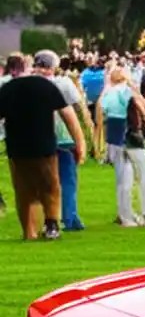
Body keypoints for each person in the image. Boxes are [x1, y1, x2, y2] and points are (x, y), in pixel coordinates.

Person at [0, 56, 86, 240]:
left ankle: (28, 231)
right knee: (51, 186)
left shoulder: (6, 89)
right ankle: (52, 225)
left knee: (23, 190)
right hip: (45, 145)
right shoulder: (46, 86)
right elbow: (68, 115)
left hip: (18, 148)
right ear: (29, 68)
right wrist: (80, 143)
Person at [32, 50, 92, 231]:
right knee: (67, 180)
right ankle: (70, 217)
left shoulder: (30, 84)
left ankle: (49, 220)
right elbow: (77, 108)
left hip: (39, 139)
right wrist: (85, 135)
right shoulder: (64, 83)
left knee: (45, 182)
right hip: (64, 137)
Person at [97, 66, 145, 226]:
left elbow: (102, 118)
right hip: (131, 135)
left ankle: (125, 215)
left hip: (114, 137)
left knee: (124, 178)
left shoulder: (106, 94)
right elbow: (140, 115)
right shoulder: (128, 92)